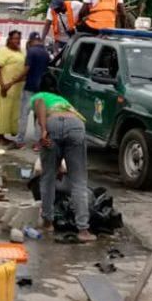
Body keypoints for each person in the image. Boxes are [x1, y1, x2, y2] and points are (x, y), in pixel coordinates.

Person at [32, 83, 96, 243]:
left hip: (52, 125)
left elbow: (39, 101)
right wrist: (59, 164)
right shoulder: (63, 102)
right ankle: (83, 230)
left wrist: (43, 129)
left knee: (48, 179)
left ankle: (48, 222)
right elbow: (65, 128)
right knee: (79, 181)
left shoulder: (39, 96)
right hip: (76, 127)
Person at [16, 32, 50, 149]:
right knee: (39, 116)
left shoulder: (31, 52)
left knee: (24, 115)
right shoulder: (46, 53)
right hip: (42, 89)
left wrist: (15, 80)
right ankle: (37, 143)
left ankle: (20, 140)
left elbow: (27, 69)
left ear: (30, 41)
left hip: (30, 87)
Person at [0, 29, 26, 146]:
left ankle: (11, 132)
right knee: (4, 111)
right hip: (6, 87)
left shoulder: (21, 52)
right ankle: (1, 137)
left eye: (18, 38)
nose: (17, 41)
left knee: (14, 111)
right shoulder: (4, 51)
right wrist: (2, 85)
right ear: (9, 39)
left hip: (17, 88)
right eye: (15, 38)